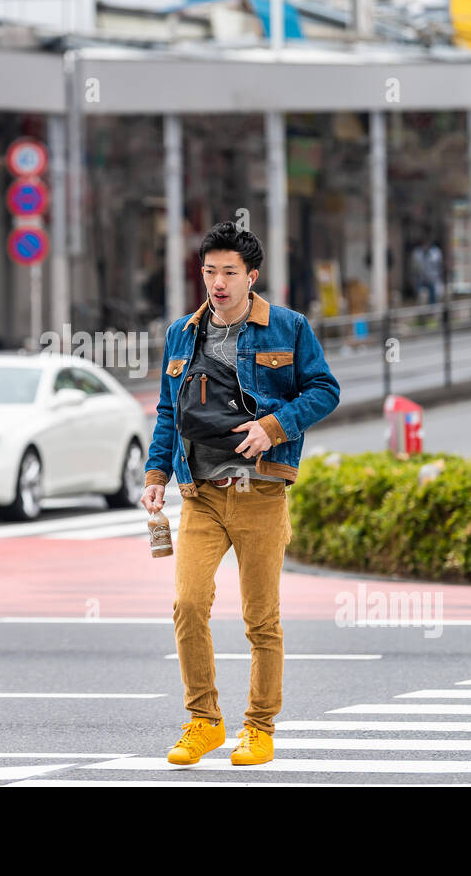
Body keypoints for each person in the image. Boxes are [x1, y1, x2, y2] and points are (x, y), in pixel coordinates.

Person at [141, 220, 341, 766]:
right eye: (209, 271)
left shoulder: (288, 327)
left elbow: (325, 390)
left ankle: (259, 728)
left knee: (261, 620)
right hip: (201, 494)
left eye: (230, 272)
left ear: (251, 276)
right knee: (187, 603)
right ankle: (203, 720)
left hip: (261, 494)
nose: (218, 283)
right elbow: (168, 411)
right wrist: (156, 477)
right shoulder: (185, 332)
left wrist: (273, 427)